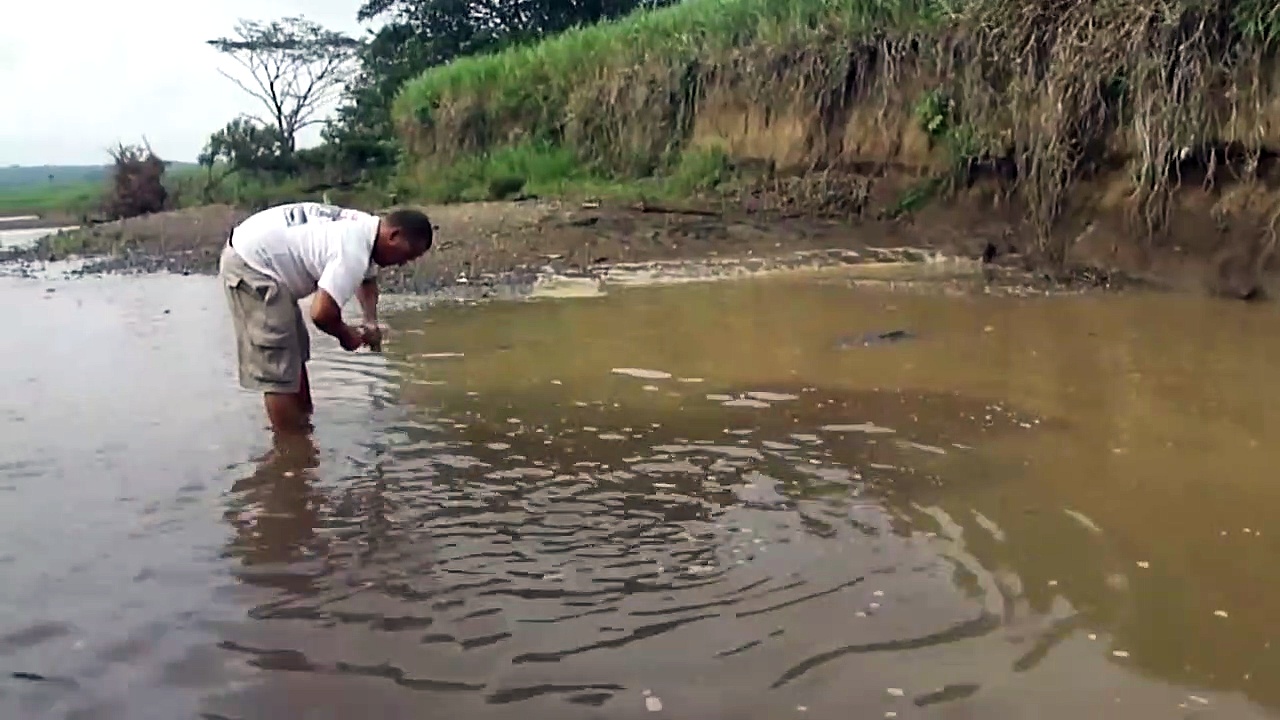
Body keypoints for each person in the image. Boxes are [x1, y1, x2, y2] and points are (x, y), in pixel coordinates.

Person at [219, 201, 433, 434]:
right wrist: (346, 335)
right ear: (394, 235)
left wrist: (370, 322)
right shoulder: (353, 251)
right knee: (278, 365)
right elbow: (321, 313)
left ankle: (303, 420)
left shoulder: (366, 228)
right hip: (252, 264)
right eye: (407, 255)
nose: (402, 264)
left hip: (266, 254)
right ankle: (291, 448)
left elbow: (367, 280)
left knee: (295, 352)